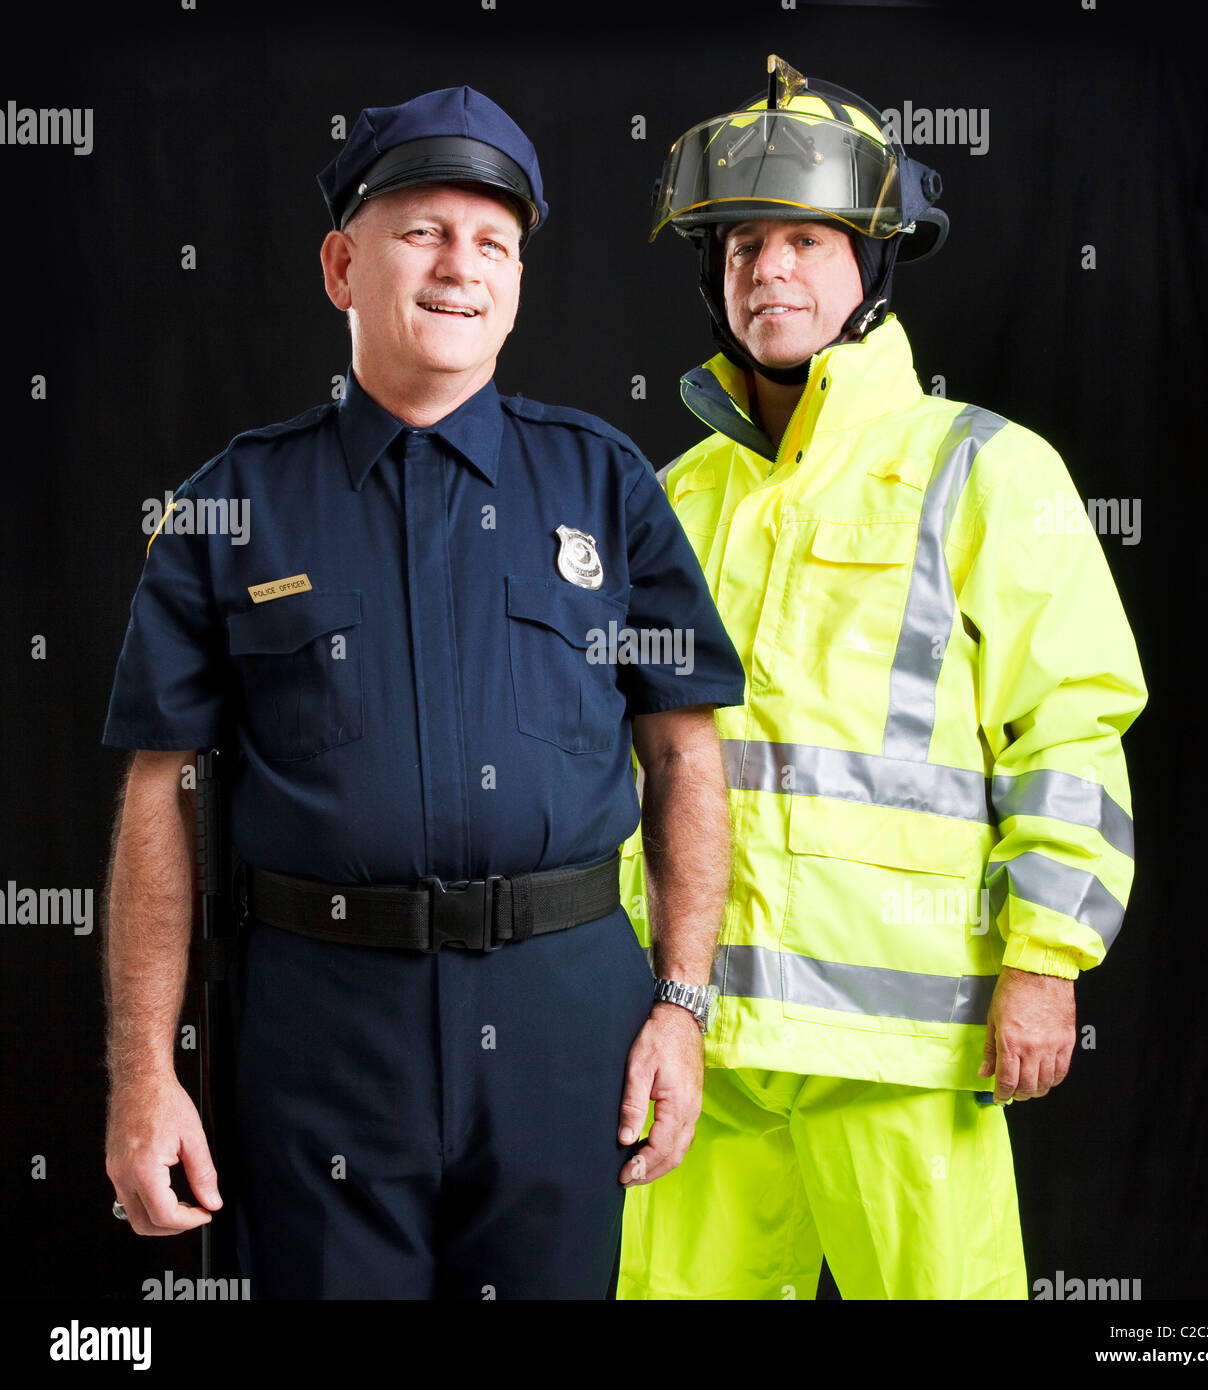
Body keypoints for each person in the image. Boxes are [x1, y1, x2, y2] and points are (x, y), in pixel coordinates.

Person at [101, 85, 745, 1300]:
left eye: (493, 241)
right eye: (423, 233)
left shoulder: (605, 485)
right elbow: (157, 796)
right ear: (343, 265)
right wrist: (145, 1069)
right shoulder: (229, 507)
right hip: (318, 1030)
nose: (463, 266)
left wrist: (680, 1005)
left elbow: (684, 759)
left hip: (566, 1023)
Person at [617, 55, 1147, 1300]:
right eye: (742, 245)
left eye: (805, 239)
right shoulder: (671, 499)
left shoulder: (985, 470)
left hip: (903, 1039)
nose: (769, 271)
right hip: (704, 1048)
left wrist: (1044, 961)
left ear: (872, 265)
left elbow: (1067, 724)